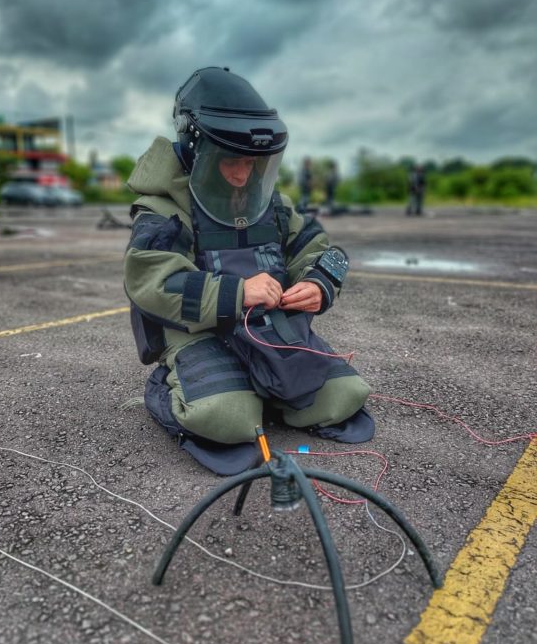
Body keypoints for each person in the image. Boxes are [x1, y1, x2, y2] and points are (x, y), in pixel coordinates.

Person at [124, 67, 374, 474]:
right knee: (224, 419)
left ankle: (259, 388)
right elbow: (152, 282)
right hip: (200, 332)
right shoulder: (164, 209)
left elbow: (315, 246)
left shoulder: (269, 201)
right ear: (198, 148)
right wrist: (237, 293)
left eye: (252, 162)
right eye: (229, 161)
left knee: (345, 395)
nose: (243, 174)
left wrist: (318, 282)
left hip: (266, 327)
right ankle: (169, 388)